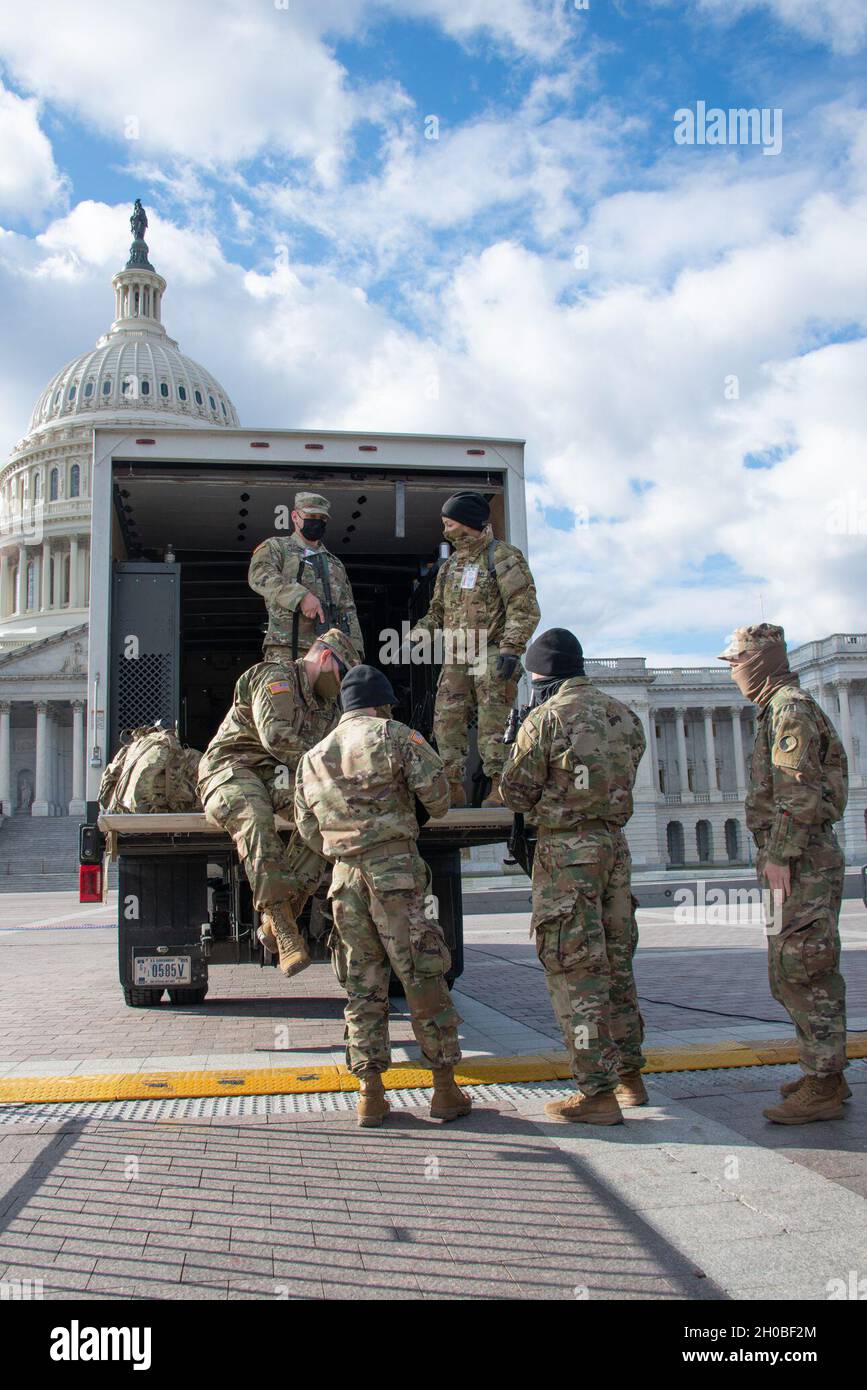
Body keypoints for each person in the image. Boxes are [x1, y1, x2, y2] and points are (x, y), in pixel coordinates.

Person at [294, 664, 471, 1128]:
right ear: (383, 701)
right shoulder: (397, 736)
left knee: (361, 985)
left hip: (344, 879)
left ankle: (370, 1093)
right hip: (395, 873)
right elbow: (439, 797)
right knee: (420, 974)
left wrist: (347, 844)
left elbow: (308, 830)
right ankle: (444, 1090)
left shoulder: (312, 756)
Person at [500, 628, 647, 1125]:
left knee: (574, 968)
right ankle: (630, 1077)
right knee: (617, 962)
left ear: (542, 675)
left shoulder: (545, 718)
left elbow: (516, 792)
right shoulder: (624, 714)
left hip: (566, 852)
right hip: (615, 849)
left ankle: (596, 1093)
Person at [719, 624, 850, 1124]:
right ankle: (825, 1072)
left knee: (805, 968)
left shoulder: (789, 708)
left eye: (736, 662)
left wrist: (779, 854)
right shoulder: (778, 707)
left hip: (801, 858)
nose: (733, 672)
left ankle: (823, 1082)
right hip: (796, 854)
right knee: (790, 969)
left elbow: (799, 791)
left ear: (760, 660)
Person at [197, 629, 359, 976]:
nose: (342, 686)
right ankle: (284, 929)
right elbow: (276, 737)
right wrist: (326, 773)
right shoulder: (276, 676)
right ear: (327, 658)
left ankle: (280, 915)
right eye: (342, 675)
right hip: (231, 767)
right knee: (254, 818)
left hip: (278, 775)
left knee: (324, 817)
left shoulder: (328, 707)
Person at [409, 490, 539, 807]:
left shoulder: (503, 557)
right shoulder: (450, 566)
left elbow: (524, 608)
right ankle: (453, 785)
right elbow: (437, 612)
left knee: (494, 722)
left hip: (492, 649)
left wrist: (511, 649)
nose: (445, 530)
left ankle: (499, 785)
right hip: (457, 655)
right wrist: (419, 632)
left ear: (467, 523)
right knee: (446, 719)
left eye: (449, 523)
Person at [248, 491, 364, 658]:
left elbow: (348, 610)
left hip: (328, 654)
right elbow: (259, 574)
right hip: (286, 648)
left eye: (322, 518)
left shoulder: (334, 563)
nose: (317, 521)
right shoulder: (277, 547)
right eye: (311, 515)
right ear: (295, 516)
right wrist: (300, 596)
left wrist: (355, 653)